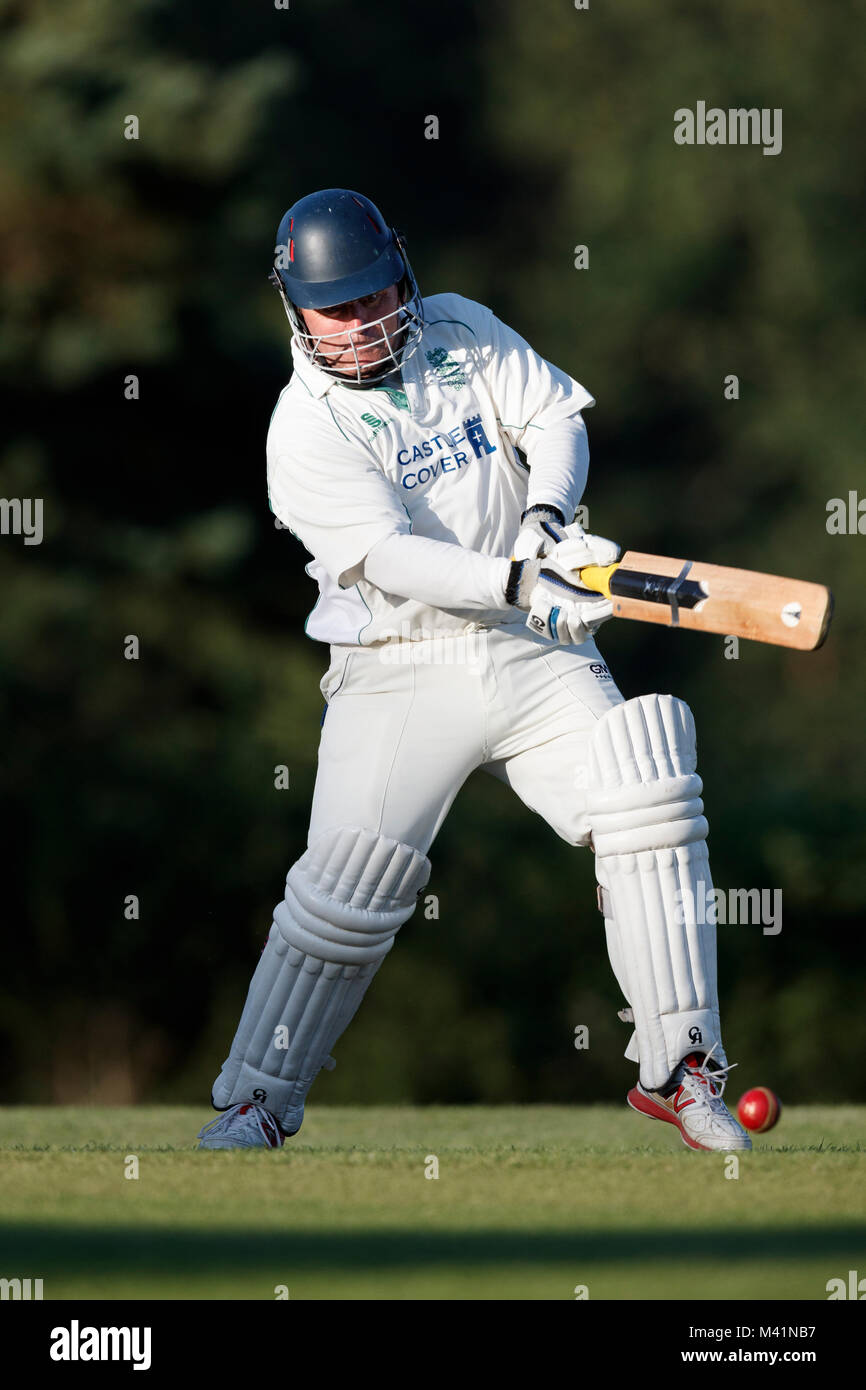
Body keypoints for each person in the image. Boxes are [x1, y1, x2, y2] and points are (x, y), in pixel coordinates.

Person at [196, 188, 750, 1153]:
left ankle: (682, 1068)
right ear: (297, 311)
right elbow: (393, 560)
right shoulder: (305, 429)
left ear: (401, 275)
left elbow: (556, 420)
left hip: (536, 652)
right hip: (399, 667)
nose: (365, 322)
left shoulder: (461, 327)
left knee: (647, 782)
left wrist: (547, 522)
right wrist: (516, 576)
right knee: (343, 892)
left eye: (377, 296)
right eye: (340, 308)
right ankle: (257, 1100)